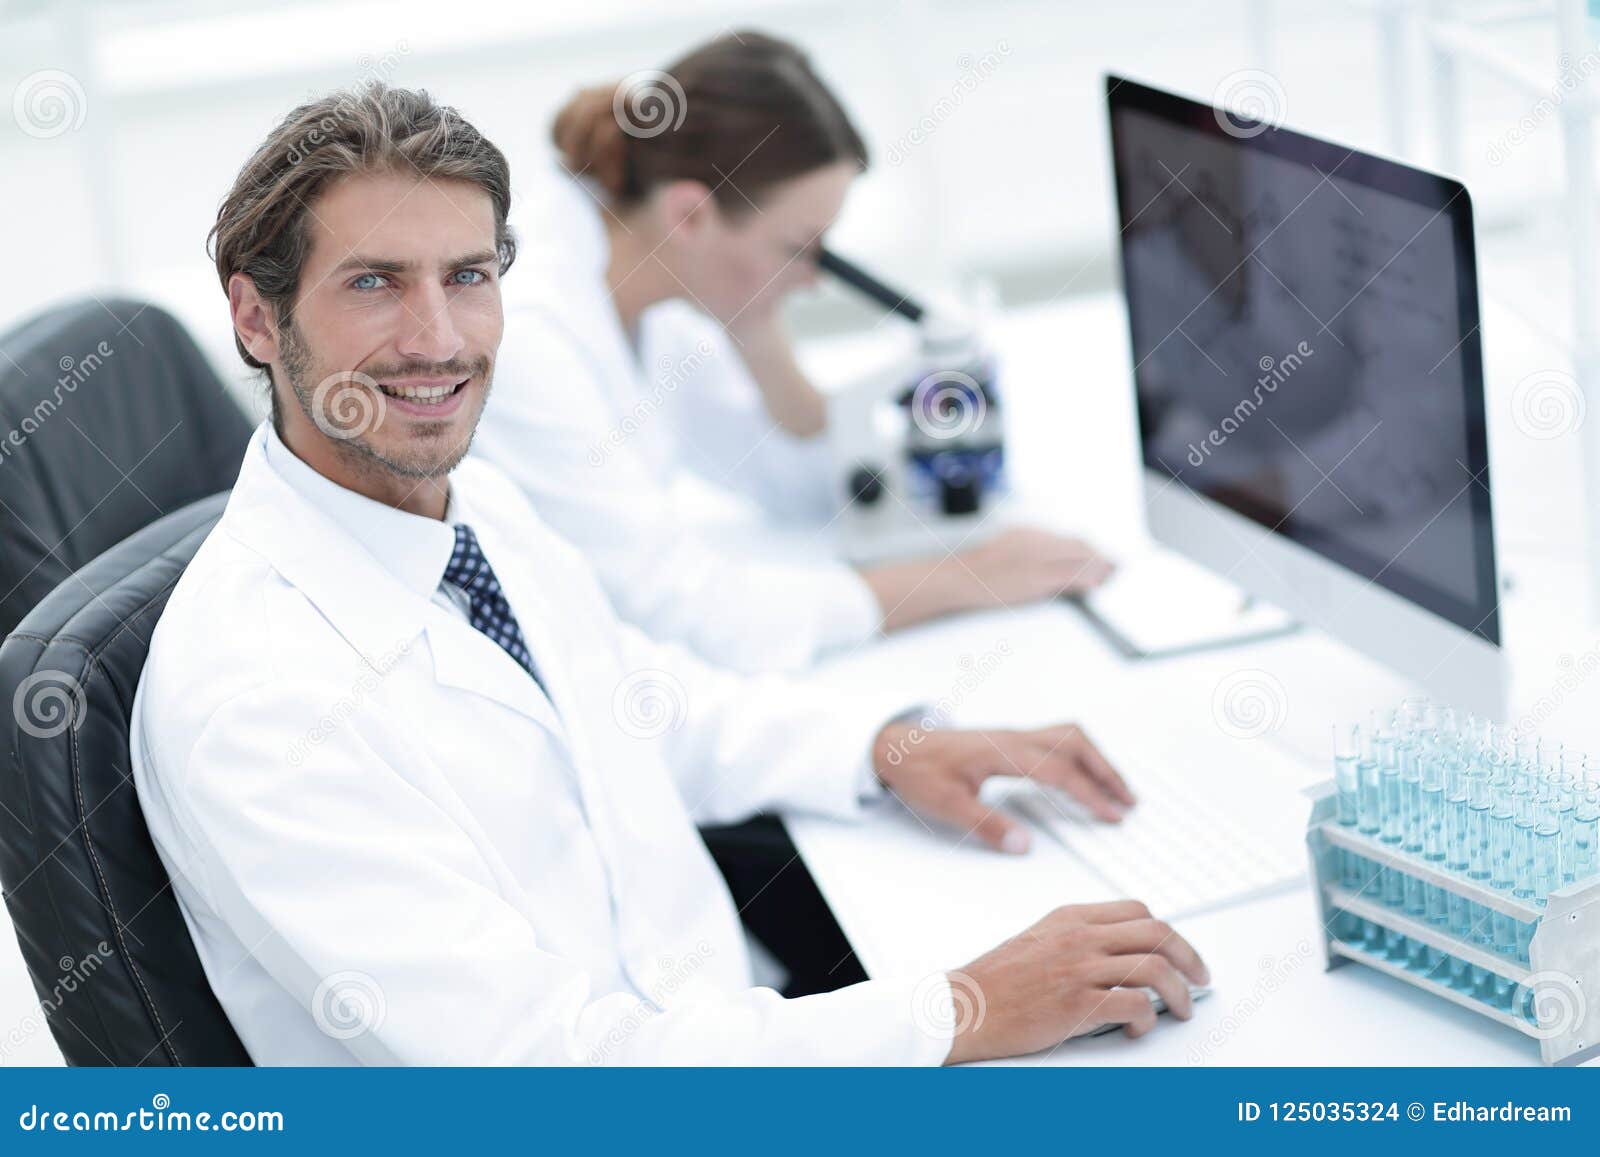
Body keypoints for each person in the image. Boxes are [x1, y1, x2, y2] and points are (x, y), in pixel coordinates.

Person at [130, 82, 1206, 1065]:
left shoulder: (469, 504)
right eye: (374, 283)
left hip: (729, 1020)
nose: (438, 337)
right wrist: (958, 1009)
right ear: (256, 317)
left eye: (467, 276)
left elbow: (634, 699)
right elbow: (543, 1072)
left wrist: (886, 747)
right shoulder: (258, 703)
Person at [473, 31, 1113, 674]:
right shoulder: (529, 336)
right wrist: (962, 580)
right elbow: (675, 612)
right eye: (800, 245)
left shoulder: (653, 286)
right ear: (690, 216)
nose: (813, 277)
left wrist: (755, 328)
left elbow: (799, 484)